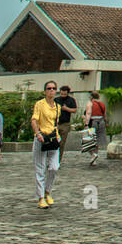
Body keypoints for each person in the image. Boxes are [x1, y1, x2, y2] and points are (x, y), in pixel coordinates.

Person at [31, 81, 62, 209]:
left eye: (54, 88)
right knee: (40, 168)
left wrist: (57, 134)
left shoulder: (57, 107)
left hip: (53, 139)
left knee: (54, 167)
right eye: (49, 88)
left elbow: (56, 123)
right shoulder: (39, 104)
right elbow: (34, 120)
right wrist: (37, 133)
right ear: (45, 91)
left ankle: (47, 191)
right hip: (41, 138)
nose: (51, 90)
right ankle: (40, 197)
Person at [84, 90, 108, 166]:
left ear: (91, 97)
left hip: (93, 122)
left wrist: (86, 124)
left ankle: (93, 155)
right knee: (96, 141)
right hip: (101, 122)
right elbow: (104, 115)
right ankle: (94, 158)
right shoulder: (102, 104)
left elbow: (88, 113)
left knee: (87, 140)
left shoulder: (90, 104)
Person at [55, 86, 77, 163]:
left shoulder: (71, 100)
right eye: (61, 93)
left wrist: (66, 109)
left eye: (64, 93)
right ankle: (52, 159)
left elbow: (74, 110)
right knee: (54, 142)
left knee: (61, 143)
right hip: (56, 123)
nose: (63, 94)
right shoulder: (56, 99)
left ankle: (58, 161)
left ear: (67, 92)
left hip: (65, 124)